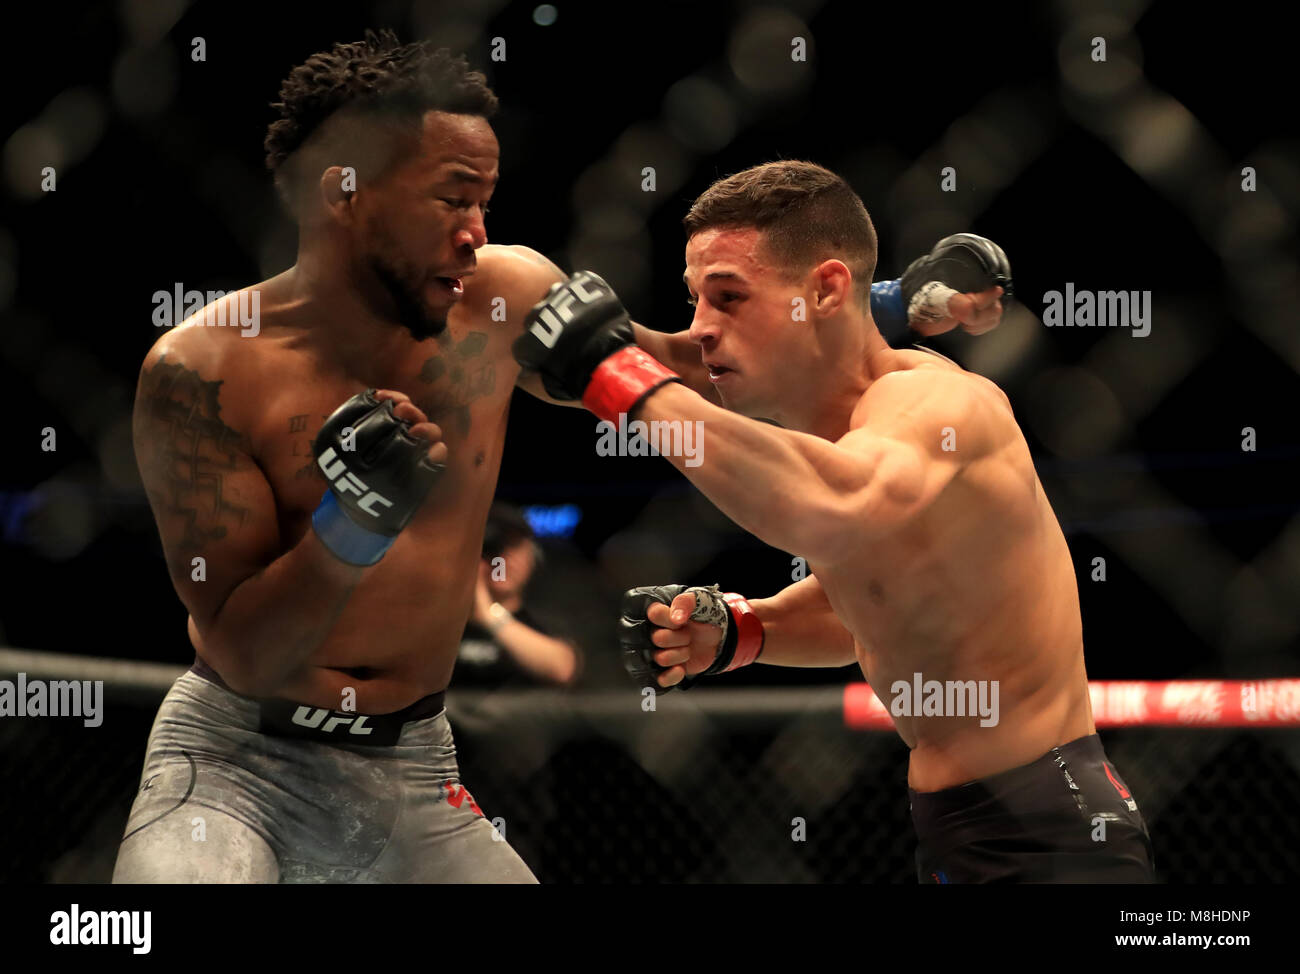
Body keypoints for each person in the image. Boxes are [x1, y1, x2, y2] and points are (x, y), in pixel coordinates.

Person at [115, 28, 1001, 883]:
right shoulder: (201, 372)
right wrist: (351, 529)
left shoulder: (502, 295)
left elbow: (674, 356)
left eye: (485, 201)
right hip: (237, 765)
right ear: (344, 192)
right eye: (452, 197)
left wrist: (886, 305)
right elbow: (247, 649)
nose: (475, 230)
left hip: (413, 773)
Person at [511, 160, 1156, 883]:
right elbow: (870, 606)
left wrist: (617, 380)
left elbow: (831, 511)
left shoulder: (935, 409)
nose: (700, 329)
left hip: (1052, 827)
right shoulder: (844, 428)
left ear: (823, 290)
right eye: (695, 299)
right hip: (956, 828)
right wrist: (743, 631)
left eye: (729, 299)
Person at [457, 503, 580, 687]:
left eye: (514, 546)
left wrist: (488, 614)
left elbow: (563, 669)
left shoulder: (547, 619)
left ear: (533, 557)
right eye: (493, 548)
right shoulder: (444, 623)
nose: (502, 561)